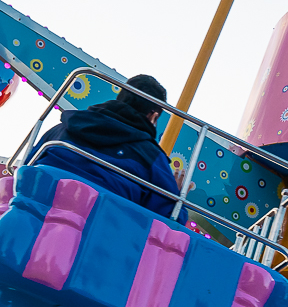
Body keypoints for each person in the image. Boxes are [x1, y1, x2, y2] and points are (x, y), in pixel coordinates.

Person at [28, 75, 179, 217]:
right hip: (100, 228)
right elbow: (168, 216)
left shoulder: (63, 128)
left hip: (34, 208)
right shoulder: (151, 156)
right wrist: (176, 194)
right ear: (153, 115)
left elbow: (27, 165)